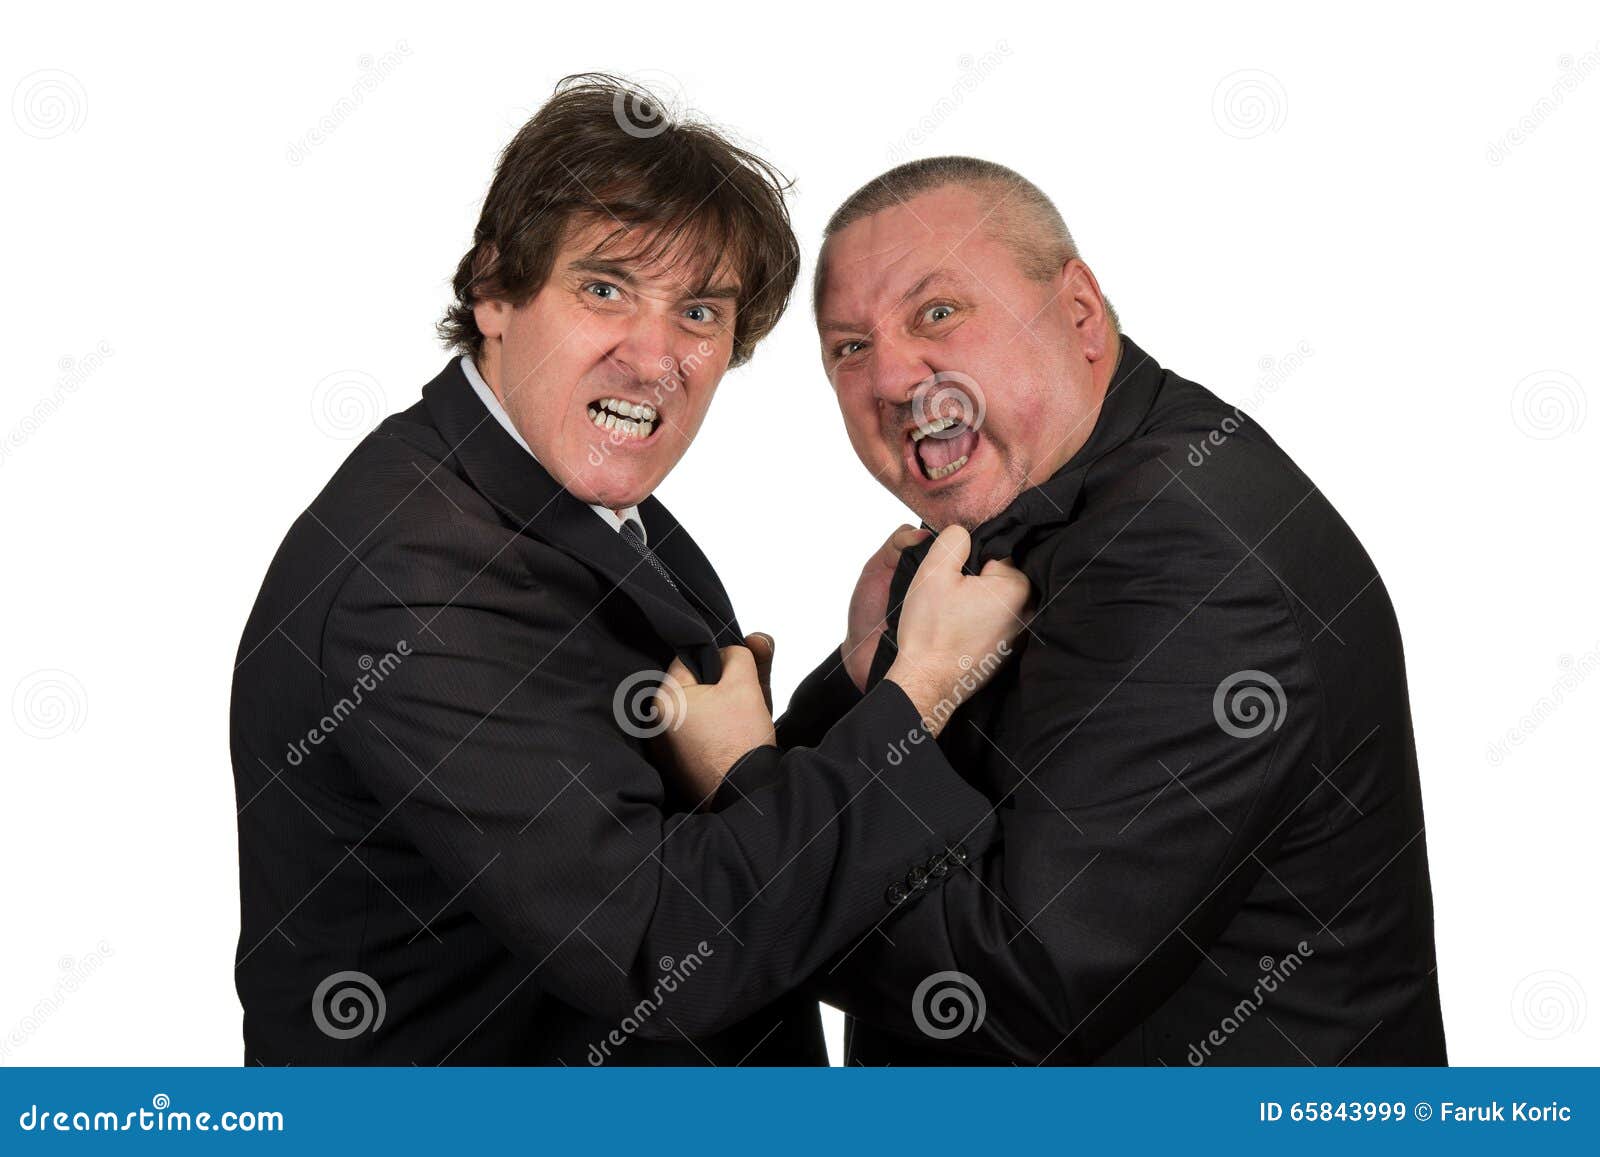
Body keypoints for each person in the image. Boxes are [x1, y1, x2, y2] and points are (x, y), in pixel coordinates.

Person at [228, 82, 1028, 1066]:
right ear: (493, 291)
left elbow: (652, 789)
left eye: (697, 311)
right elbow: (663, 944)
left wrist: (860, 675)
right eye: (603, 288)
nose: (654, 358)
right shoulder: (415, 576)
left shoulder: (553, 483)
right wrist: (921, 692)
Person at [764, 155, 1447, 1065]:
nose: (889, 377)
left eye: (938, 312)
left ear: (1080, 313)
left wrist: (741, 791)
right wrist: (870, 678)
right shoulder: (1029, 500)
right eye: (848, 347)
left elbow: (1011, 988)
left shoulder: (1190, 557)